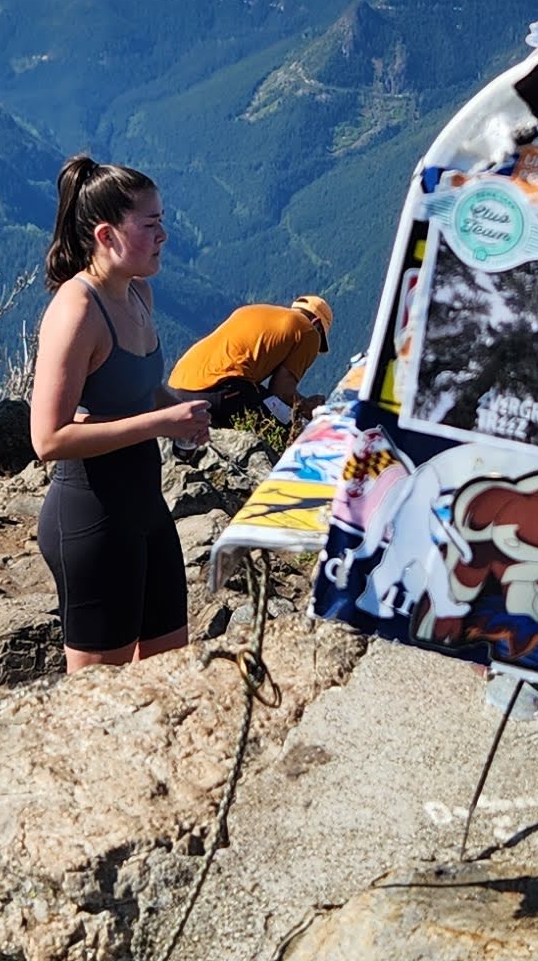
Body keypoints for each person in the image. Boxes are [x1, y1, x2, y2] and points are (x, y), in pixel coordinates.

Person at [28, 156, 209, 669]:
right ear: (106, 235)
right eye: (150, 224)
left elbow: (139, 390)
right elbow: (47, 439)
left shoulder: (138, 293)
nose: (163, 235)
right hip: (92, 517)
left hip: (145, 507)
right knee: (95, 703)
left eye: (162, 221)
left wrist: (179, 410)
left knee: (166, 675)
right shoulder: (76, 310)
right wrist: (161, 425)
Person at [167, 295, 339, 426]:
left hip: (176, 389)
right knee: (291, 428)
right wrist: (308, 407)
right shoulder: (309, 331)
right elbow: (281, 390)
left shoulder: (252, 311)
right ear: (317, 324)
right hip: (221, 389)